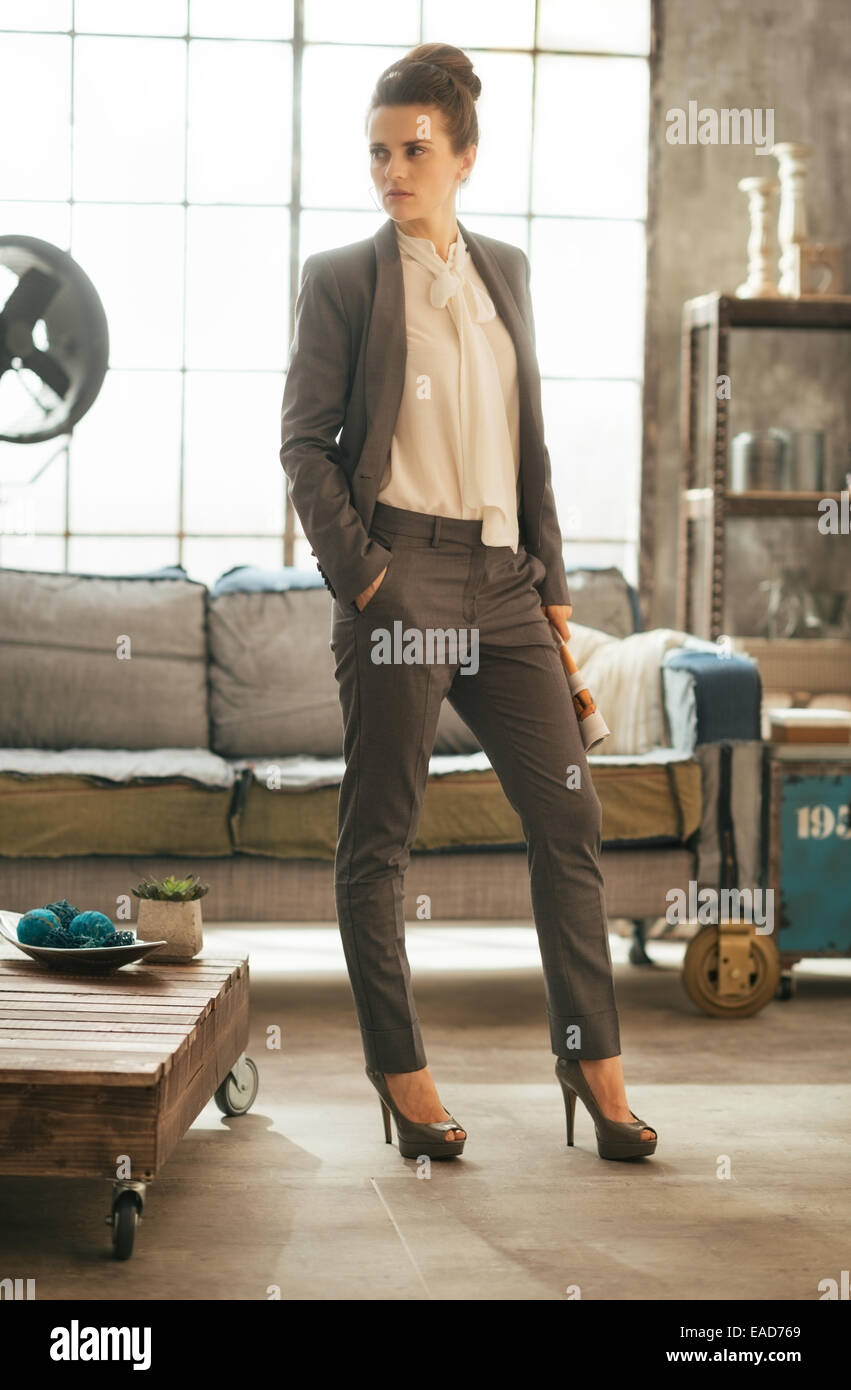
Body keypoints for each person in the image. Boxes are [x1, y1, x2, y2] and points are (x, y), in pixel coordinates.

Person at [280, 42, 657, 1163]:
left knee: (571, 815)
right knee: (380, 838)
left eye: (413, 150)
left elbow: (524, 448)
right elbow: (304, 446)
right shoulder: (341, 278)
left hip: (501, 580)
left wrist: (547, 589)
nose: (391, 170)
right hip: (399, 569)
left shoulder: (505, 270)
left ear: (463, 156)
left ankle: (590, 1064)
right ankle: (402, 1076)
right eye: (377, 153)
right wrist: (368, 579)